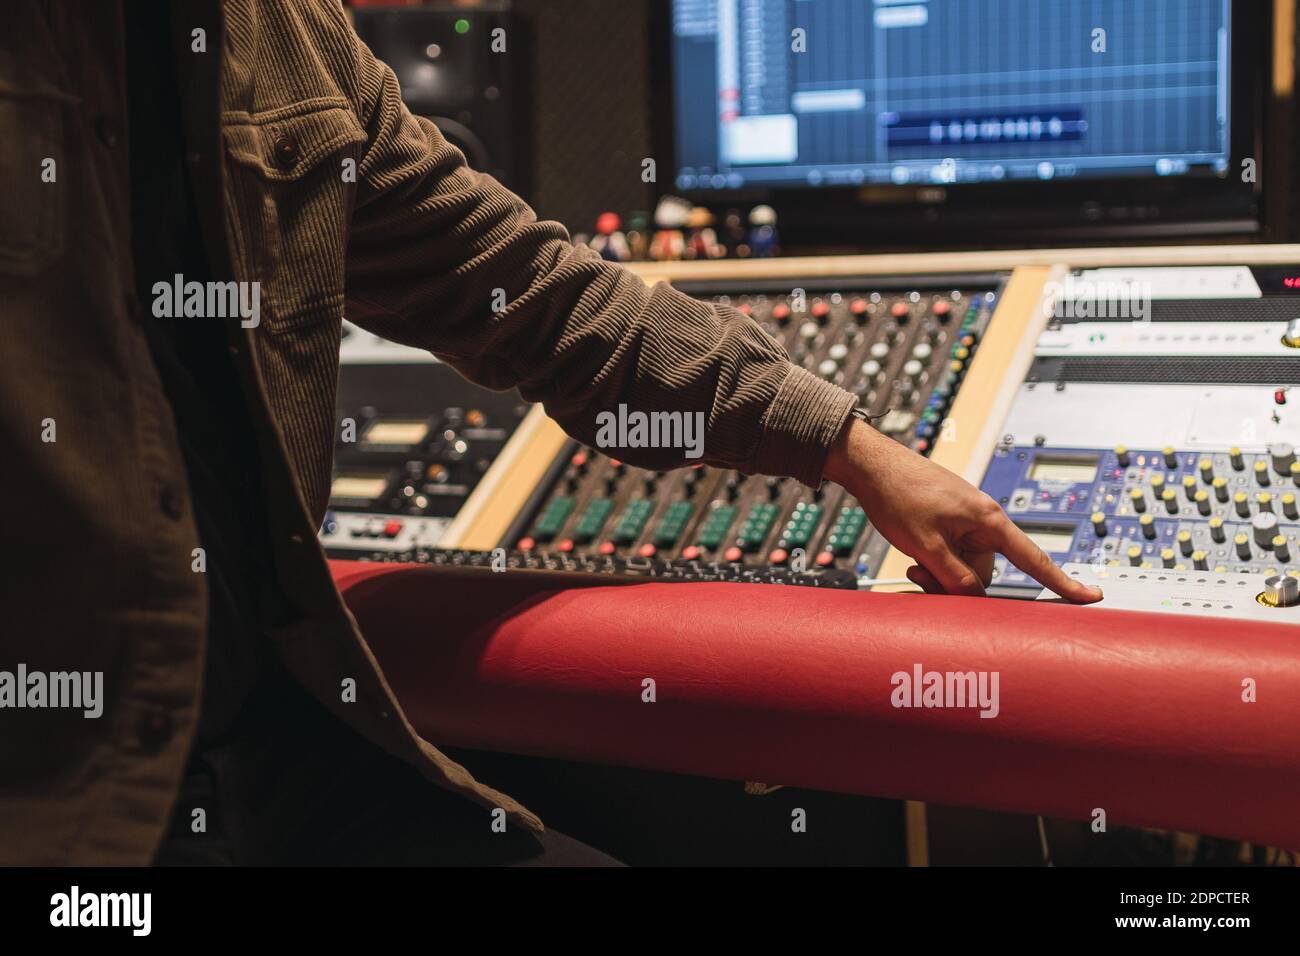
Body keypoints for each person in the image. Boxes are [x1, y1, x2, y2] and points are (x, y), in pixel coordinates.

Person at [0, 0, 1100, 867]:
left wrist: (848, 446)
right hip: (65, 811)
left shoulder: (281, 33)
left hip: (286, 759)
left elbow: (528, 289)